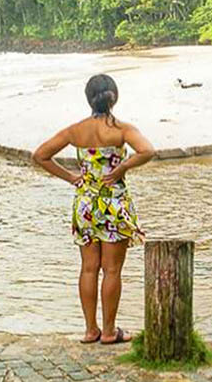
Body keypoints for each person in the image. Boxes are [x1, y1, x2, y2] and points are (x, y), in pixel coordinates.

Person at [33, 74, 155, 345]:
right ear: (114, 97)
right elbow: (147, 151)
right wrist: (122, 167)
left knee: (88, 268)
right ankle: (110, 331)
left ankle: (90, 330)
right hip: (113, 202)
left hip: (86, 202)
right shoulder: (122, 129)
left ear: (89, 98)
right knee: (112, 270)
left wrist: (71, 177)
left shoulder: (76, 130)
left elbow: (39, 155)